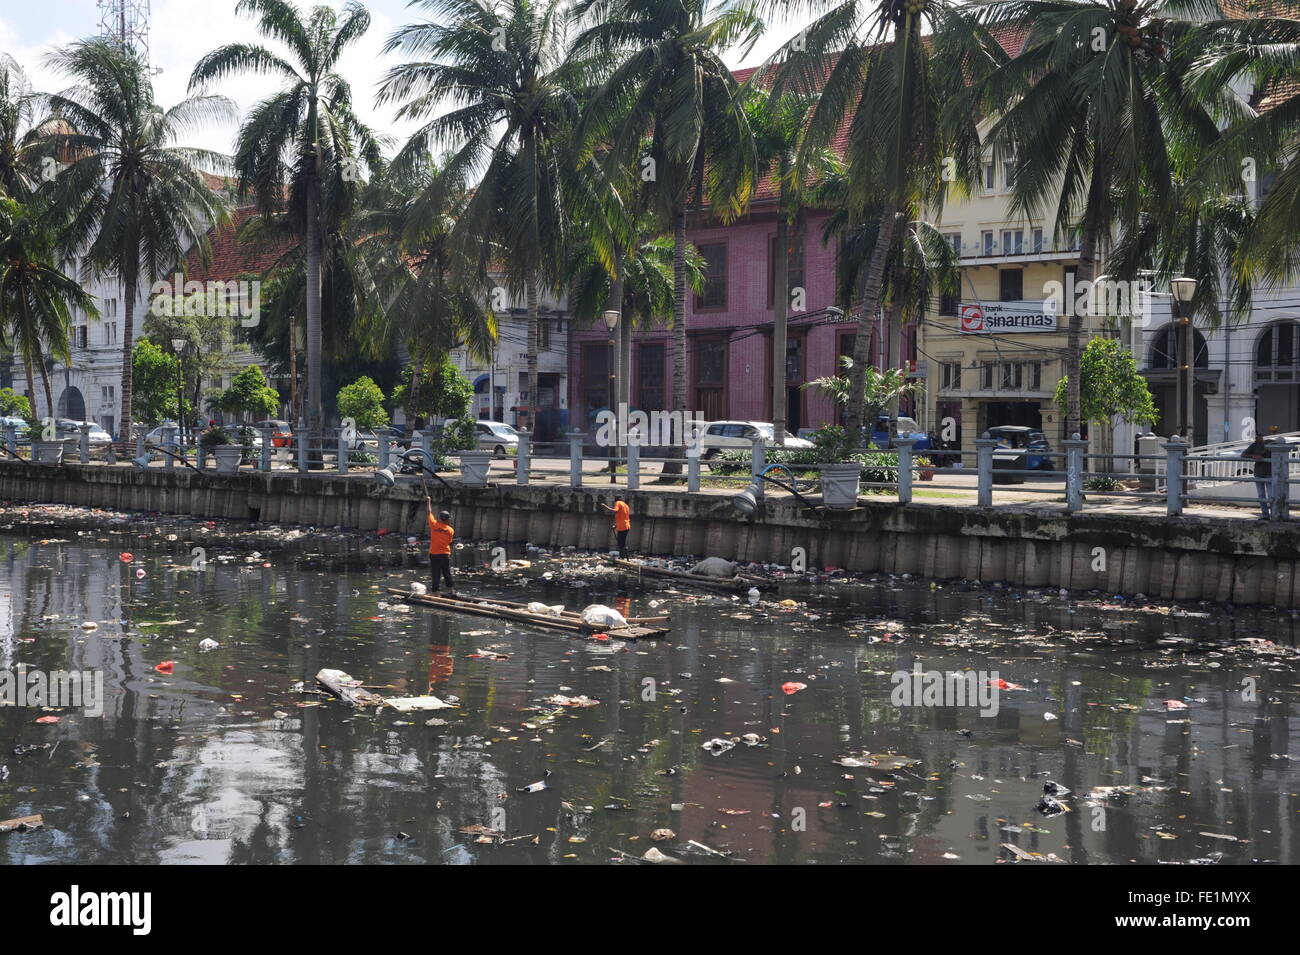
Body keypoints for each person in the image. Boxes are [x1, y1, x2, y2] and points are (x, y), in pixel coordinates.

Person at [1242, 427, 1277, 520]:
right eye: (1258, 436)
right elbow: (1243, 455)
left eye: (1260, 435)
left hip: (1269, 472)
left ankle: (1274, 515)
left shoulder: (1272, 443)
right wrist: (1253, 456)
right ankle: (1265, 515)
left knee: (1271, 495)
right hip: (1259, 473)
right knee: (1261, 495)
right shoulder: (1254, 445)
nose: (1258, 437)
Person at [426, 497, 457, 594]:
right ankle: (451, 590)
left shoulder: (434, 524)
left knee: (436, 573)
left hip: (434, 554)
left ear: (439, 518)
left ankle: (436, 591)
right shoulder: (450, 530)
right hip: (445, 554)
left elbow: (428, 512)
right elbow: (449, 542)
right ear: (448, 519)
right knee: (446, 572)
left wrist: (428, 501)